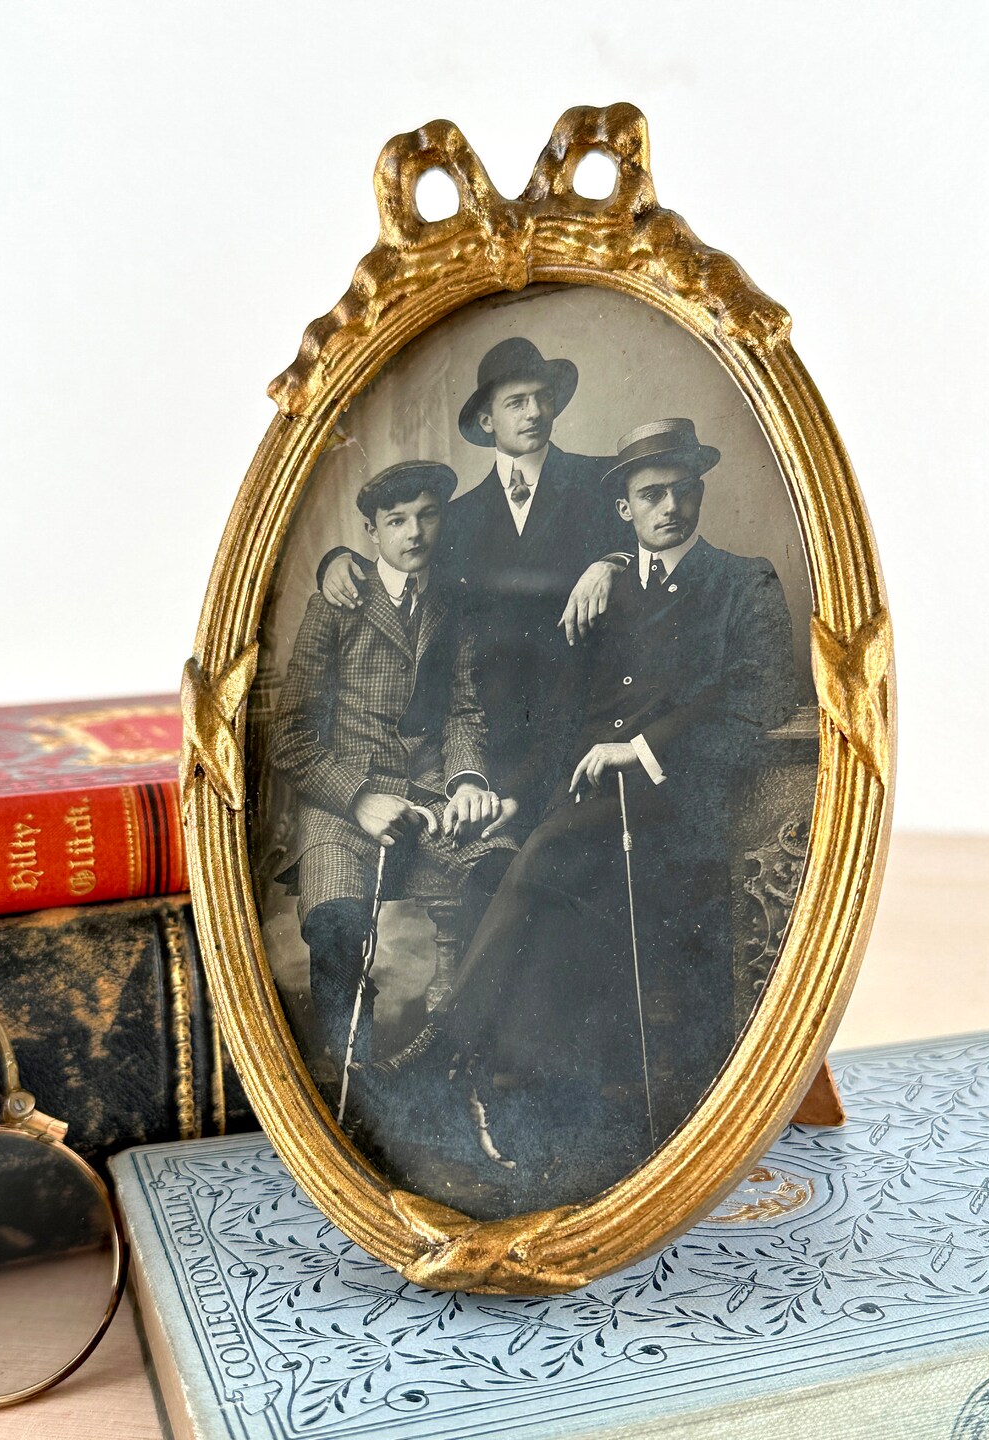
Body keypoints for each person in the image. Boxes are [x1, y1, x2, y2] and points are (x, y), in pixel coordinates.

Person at [431, 419, 799, 1208]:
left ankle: (449, 1053)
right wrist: (514, 795)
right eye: (651, 494)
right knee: (513, 869)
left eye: (683, 489)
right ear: (624, 510)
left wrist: (644, 750)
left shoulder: (743, 582)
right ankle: (539, 1126)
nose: (670, 505)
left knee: (555, 856)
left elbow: (761, 694)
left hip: (681, 808)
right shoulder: (604, 590)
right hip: (587, 805)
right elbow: (568, 723)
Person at [266, 461, 517, 1123]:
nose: (414, 532)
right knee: (336, 926)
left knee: (504, 877)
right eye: (398, 520)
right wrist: (355, 798)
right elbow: (290, 734)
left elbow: (464, 713)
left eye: (427, 515)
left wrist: (466, 781)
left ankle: (454, 1066)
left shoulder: (450, 607)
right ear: (372, 531)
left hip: (428, 797)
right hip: (341, 805)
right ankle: (352, 1091)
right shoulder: (336, 606)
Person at [318, 338, 628, 830]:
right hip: (495, 732)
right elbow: (403, 556)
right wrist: (336, 560)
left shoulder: (598, 481)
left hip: (586, 715)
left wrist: (611, 561)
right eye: (516, 402)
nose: (535, 412)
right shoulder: (458, 517)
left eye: (542, 398)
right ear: (487, 422)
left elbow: (654, 548)